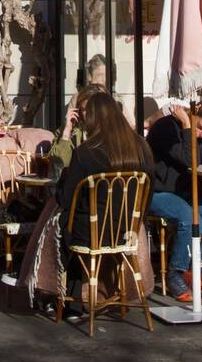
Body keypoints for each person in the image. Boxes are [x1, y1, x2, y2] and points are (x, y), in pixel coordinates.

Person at [56, 90, 156, 320]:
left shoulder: (86, 152)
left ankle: (69, 301)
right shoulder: (142, 147)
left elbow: (66, 199)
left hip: (91, 234)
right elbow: (148, 194)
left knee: (60, 221)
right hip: (127, 231)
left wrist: (63, 180)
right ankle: (110, 293)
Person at [147, 101, 202, 302]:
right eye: (199, 128)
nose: (199, 135)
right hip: (158, 192)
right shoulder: (166, 128)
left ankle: (199, 267)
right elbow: (190, 159)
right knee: (190, 218)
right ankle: (176, 273)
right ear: (192, 115)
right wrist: (187, 125)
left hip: (184, 193)